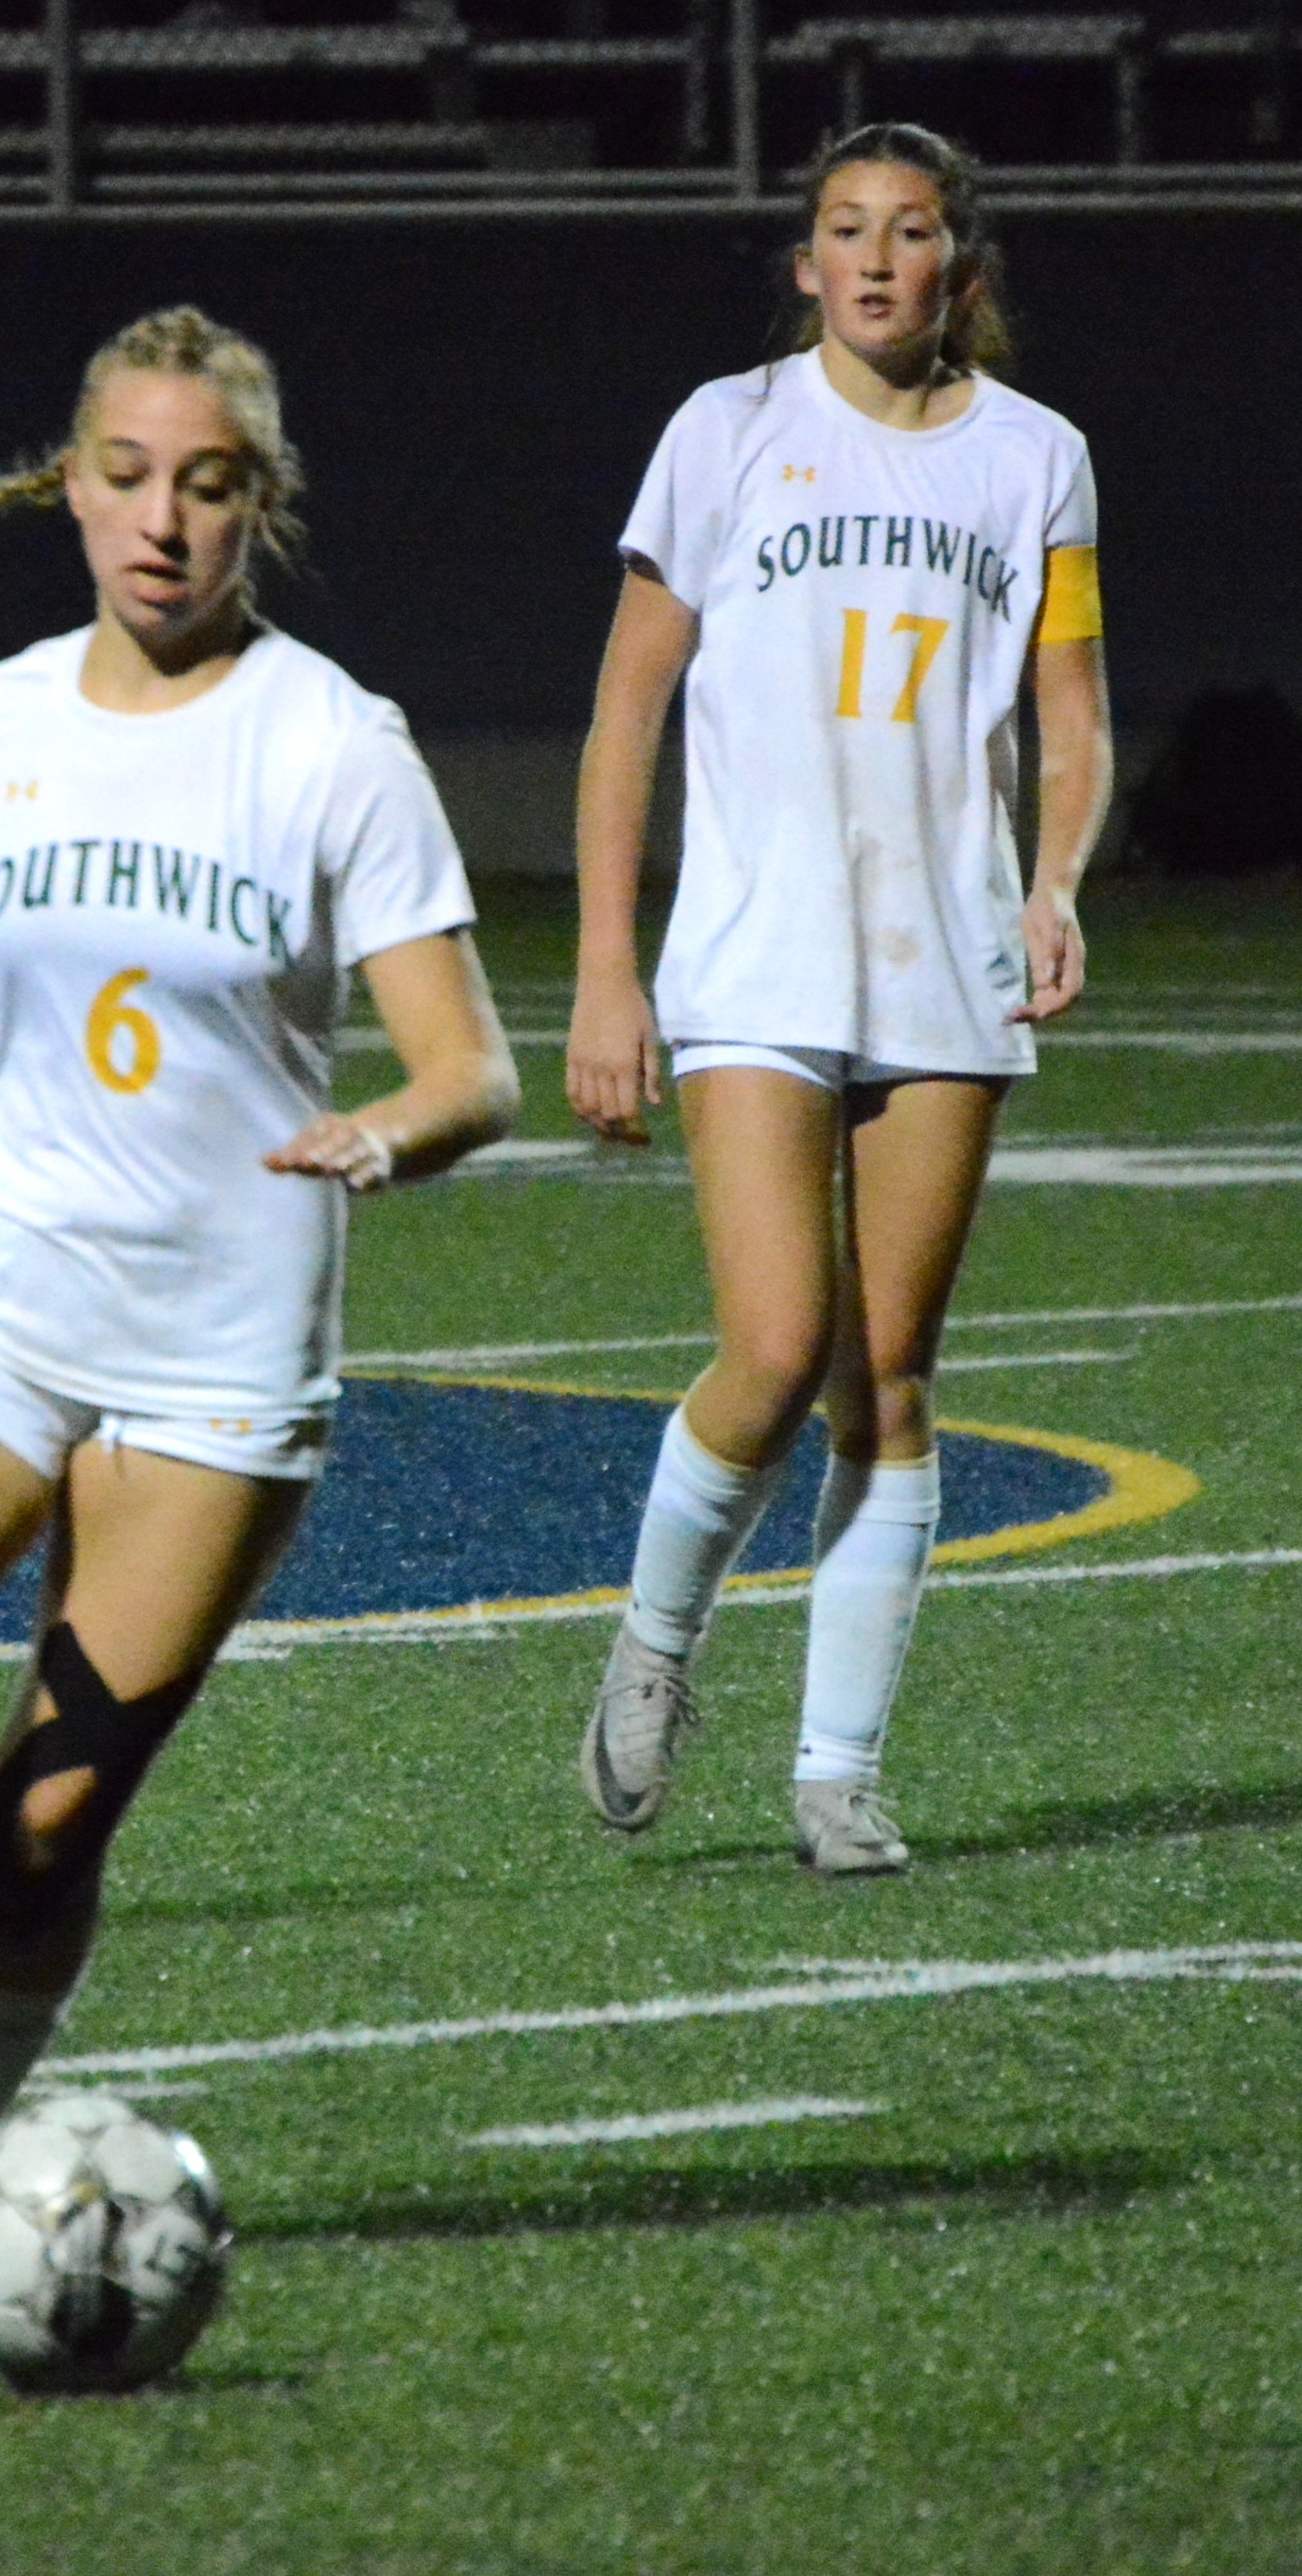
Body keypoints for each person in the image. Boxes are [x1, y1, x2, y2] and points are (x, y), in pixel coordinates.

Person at [0, 304, 519, 2259]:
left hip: (218, 1345)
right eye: (127, 479)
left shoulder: (335, 745)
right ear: (68, 490)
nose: (161, 524)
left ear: (258, 509)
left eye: (206, 488)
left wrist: (390, 1133)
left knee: (47, 1826)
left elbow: (473, 1064)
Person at [568, 124, 1110, 1873]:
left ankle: (836, 1773)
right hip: (751, 959)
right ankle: (654, 1646)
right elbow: (624, 715)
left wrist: (1052, 881)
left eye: (911, 234)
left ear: (958, 266)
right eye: (842, 232)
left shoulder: (1039, 460)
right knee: (779, 1346)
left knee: (890, 1380)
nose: (875, 260)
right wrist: (601, 972)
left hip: (944, 961)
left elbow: (1074, 716)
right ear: (803, 264)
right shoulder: (720, 434)